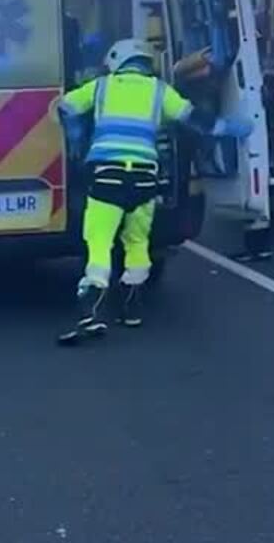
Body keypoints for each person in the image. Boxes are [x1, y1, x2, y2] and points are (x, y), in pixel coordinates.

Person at [53, 37, 252, 344]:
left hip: (107, 177)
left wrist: (78, 136)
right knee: (136, 241)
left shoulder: (102, 87)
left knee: (99, 241)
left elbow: (65, 105)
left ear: (117, 60)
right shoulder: (161, 91)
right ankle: (132, 308)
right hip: (145, 180)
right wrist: (234, 128)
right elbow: (197, 121)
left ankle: (90, 311)